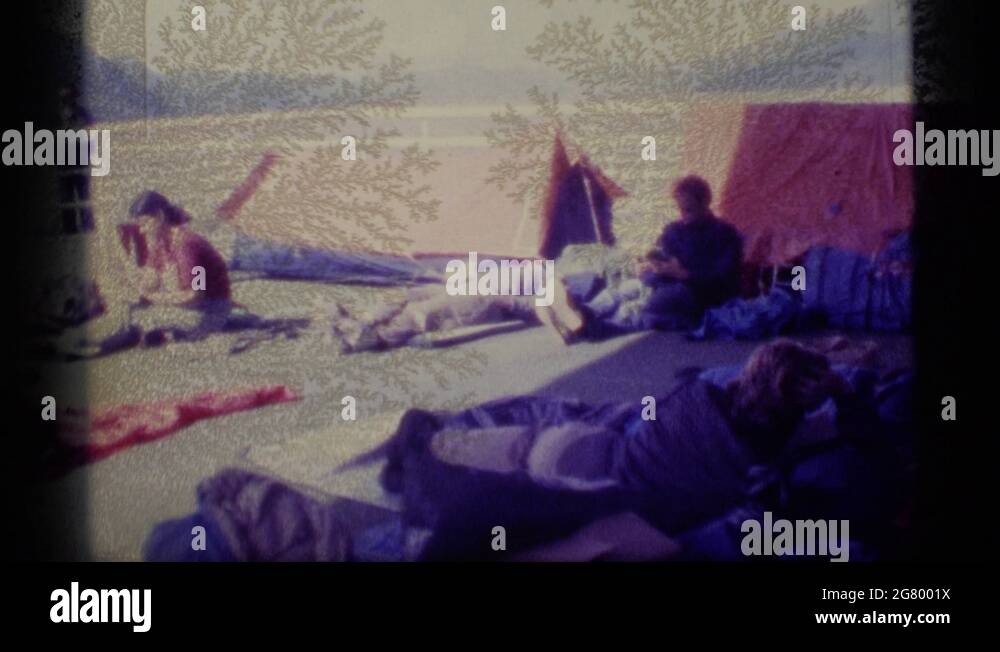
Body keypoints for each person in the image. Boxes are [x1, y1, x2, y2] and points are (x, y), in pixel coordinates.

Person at [356, 340, 851, 559]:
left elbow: (649, 414)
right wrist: (841, 388)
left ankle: (417, 457)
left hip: (579, 451)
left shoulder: (700, 393)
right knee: (483, 481)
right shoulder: (773, 449)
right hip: (598, 484)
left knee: (465, 446)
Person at [545, 175, 744, 341]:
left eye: (689, 210)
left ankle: (591, 328)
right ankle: (581, 313)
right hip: (662, 281)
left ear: (705, 203)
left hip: (695, 292)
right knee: (626, 288)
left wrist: (686, 274)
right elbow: (660, 256)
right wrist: (649, 267)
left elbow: (724, 279)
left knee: (646, 305)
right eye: (680, 209)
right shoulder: (674, 230)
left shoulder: (724, 234)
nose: (684, 216)